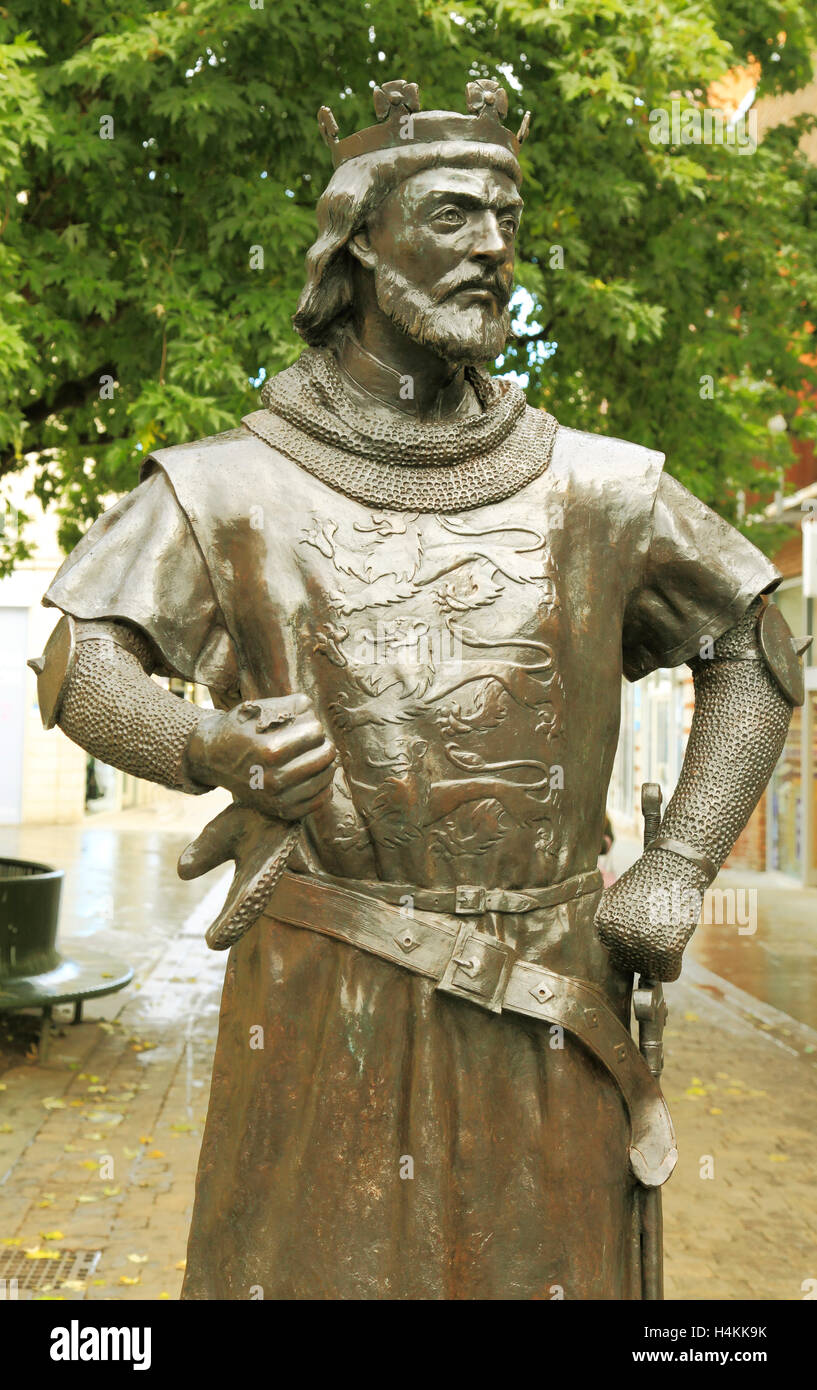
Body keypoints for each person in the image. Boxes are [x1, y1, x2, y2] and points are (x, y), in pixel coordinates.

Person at [30, 77, 807, 1299]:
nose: (493, 247)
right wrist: (209, 747)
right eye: (452, 215)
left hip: (552, 999)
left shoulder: (600, 489)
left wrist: (675, 866)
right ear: (357, 241)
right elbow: (82, 665)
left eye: (506, 219)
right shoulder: (227, 489)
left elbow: (758, 640)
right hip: (316, 986)